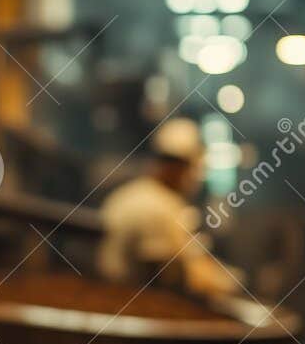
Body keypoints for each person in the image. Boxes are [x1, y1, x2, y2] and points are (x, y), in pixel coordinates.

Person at [98, 117, 240, 298]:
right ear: (179, 166)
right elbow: (163, 278)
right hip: (131, 303)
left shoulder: (128, 193)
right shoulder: (158, 206)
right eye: (193, 167)